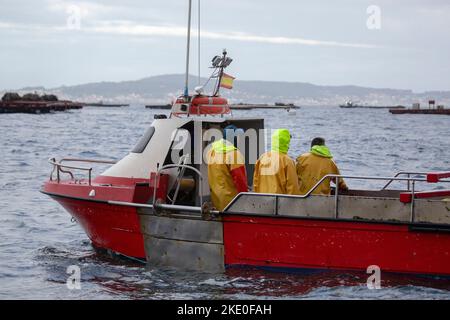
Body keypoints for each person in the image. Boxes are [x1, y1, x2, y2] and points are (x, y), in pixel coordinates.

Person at [206, 125, 248, 211]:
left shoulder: (212, 150)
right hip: (232, 203)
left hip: (216, 200)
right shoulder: (234, 154)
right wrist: (245, 198)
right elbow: (240, 180)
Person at [253, 129, 300, 195]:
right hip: (279, 202)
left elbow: (256, 181)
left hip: (262, 200)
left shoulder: (262, 157)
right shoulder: (288, 161)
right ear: (286, 142)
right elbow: (292, 187)